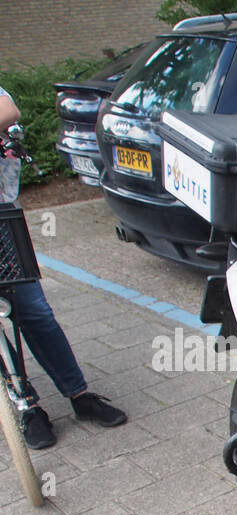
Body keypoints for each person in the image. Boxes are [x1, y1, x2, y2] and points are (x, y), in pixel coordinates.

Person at [0, 85, 126, 450]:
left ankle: (79, 395)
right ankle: (26, 407)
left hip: (2, 222)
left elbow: (7, 110)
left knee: (35, 313)